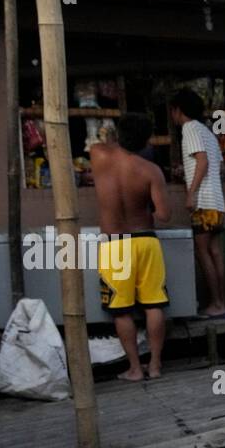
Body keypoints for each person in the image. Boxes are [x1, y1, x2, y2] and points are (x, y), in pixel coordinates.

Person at [90, 113, 171, 381]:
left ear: (117, 134)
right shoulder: (151, 171)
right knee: (153, 304)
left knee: (121, 309)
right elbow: (163, 215)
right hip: (146, 240)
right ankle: (156, 365)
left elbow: (103, 141)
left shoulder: (98, 155)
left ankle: (135, 369)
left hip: (115, 244)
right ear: (146, 140)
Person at [169, 88, 225, 319]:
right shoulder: (207, 132)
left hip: (203, 201)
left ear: (178, 110)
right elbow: (218, 167)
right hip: (217, 201)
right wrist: (187, 170)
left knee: (203, 252)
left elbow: (201, 162)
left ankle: (215, 304)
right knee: (215, 252)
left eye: (172, 111)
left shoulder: (190, 128)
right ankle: (222, 303)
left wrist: (191, 193)